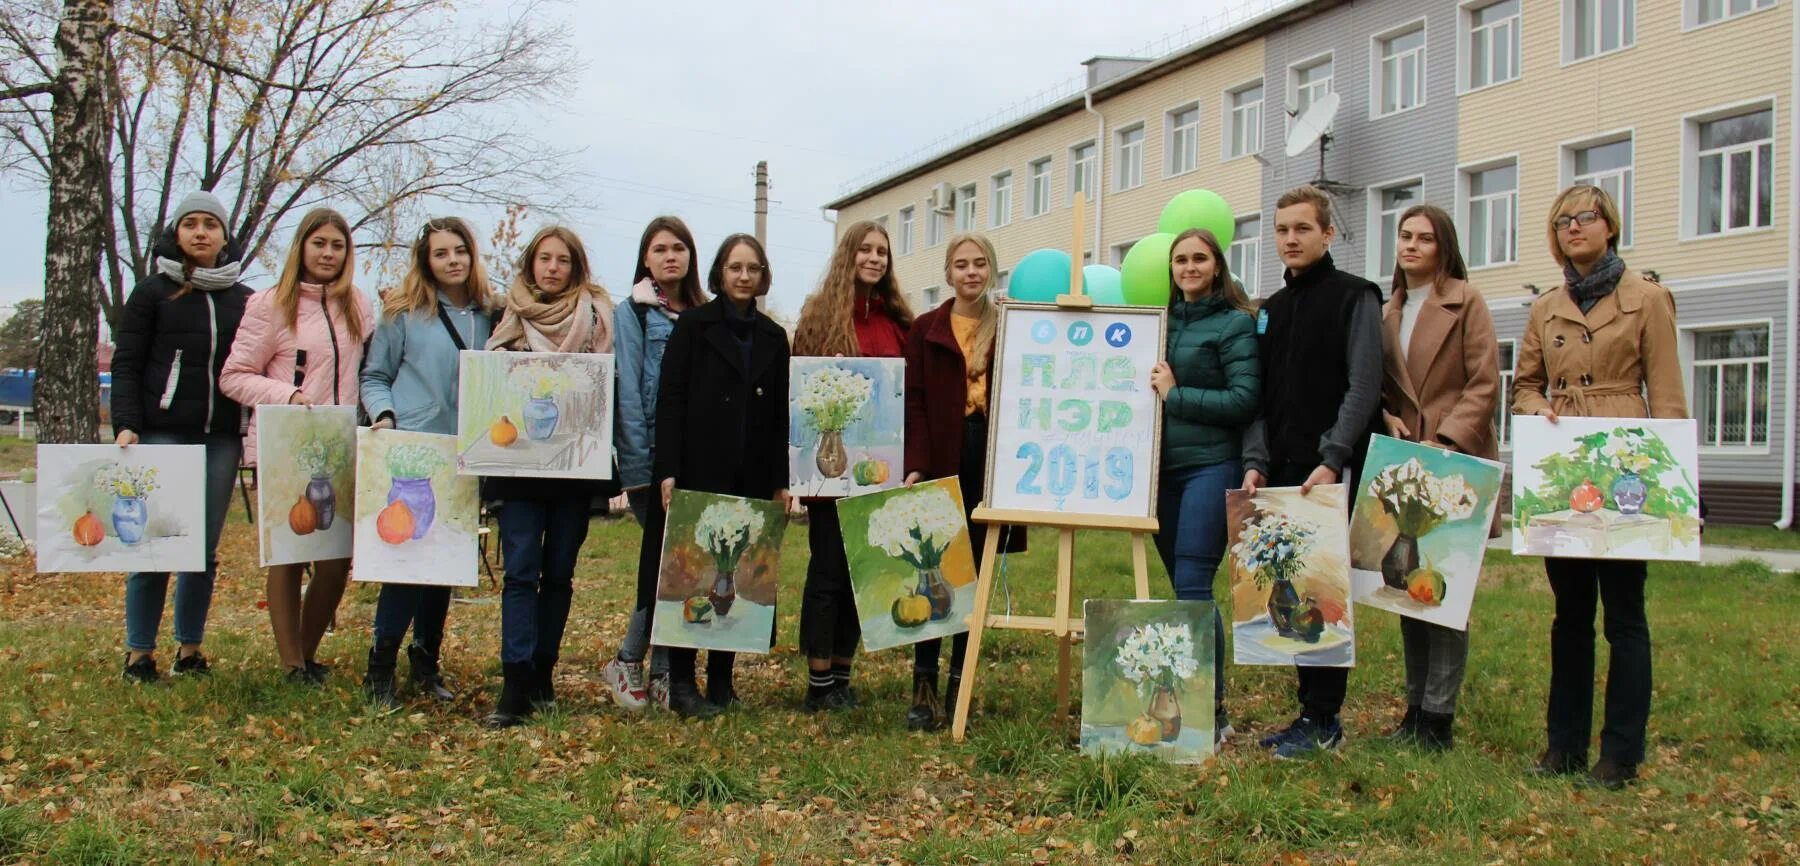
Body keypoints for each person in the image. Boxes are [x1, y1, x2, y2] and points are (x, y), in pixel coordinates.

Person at [1512, 184, 1685, 789]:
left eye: (1585, 218)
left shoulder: (1648, 298)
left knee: (1625, 613)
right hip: (1562, 464)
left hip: (1627, 463)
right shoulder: (1545, 307)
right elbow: (1525, 385)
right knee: (1570, 613)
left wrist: (1673, 483)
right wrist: (1539, 412)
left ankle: (1621, 754)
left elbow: (1666, 392)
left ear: (1609, 225)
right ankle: (1563, 747)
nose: (1573, 228)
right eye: (1562, 221)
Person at [1241, 185, 1384, 758]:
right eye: (1281, 230)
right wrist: (1256, 461)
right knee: (1291, 589)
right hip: (1280, 470)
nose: (1291, 239)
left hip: (1330, 472)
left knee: (1323, 594)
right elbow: (1259, 396)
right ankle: (1308, 713)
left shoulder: (1358, 298)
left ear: (1328, 234)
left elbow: (1364, 384)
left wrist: (1334, 458)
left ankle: (1324, 720)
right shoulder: (1269, 309)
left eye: (1302, 228)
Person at [219, 208, 371, 684]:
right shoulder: (270, 305)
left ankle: (307, 654)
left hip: (341, 447)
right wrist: (288, 394)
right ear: (302, 247)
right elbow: (234, 376)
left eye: (338, 246)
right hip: (287, 445)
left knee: (335, 561)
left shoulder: (358, 306)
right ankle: (291, 664)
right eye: (319, 243)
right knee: (288, 553)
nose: (328, 253)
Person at [110, 190, 254, 683]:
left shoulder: (244, 299)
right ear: (176, 233)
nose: (200, 232)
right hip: (161, 435)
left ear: (224, 236)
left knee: (201, 549)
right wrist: (126, 422)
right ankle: (139, 654)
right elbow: (126, 363)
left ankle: (189, 649)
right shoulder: (153, 293)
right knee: (156, 543)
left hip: (220, 437)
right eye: (190, 224)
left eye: (210, 225)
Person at [482, 226, 619, 728]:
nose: (553, 268)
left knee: (559, 570)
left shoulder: (599, 316)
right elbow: (491, 377)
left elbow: (606, 382)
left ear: (577, 266)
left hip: (576, 463)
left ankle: (544, 671)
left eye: (563, 260)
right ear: (531, 263)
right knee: (520, 568)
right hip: (519, 463)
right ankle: (514, 679)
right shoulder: (511, 315)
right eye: (544, 258)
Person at [358, 217, 497, 707]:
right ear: (426, 260)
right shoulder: (402, 314)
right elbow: (375, 376)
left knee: (445, 562)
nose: (452, 260)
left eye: (460, 250)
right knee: (406, 561)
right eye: (441, 253)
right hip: (414, 452)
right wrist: (386, 415)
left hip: (465, 453)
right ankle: (379, 667)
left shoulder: (490, 314)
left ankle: (425, 661)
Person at [651, 233, 790, 719]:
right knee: (695, 571)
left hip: (751, 471)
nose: (744, 276)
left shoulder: (774, 336)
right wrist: (667, 468)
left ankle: (723, 680)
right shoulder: (694, 325)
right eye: (735, 267)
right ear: (720, 272)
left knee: (738, 568)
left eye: (753, 268)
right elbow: (669, 399)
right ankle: (684, 683)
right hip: (699, 465)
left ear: (763, 275)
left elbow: (779, 416)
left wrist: (780, 479)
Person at [1376, 204, 1499, 752]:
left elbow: (1484, 380)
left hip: (1453, 462)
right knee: (1408, 589)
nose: (1411, 246)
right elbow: (1380, 384)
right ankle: (1414, 709)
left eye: (1424, 238)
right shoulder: (1388, 310)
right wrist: (1385, 416)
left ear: (1443, 247)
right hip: (1404, 463)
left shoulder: (1466, 301)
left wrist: (1447, 440)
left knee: (1445, 595)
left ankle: (1439, 720)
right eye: (1404, 236)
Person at [899, 233, 1026, 731]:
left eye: (979, 264)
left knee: (972, 572)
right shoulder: (926, 327)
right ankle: (923, 686)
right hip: (942, 455)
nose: (970, 272)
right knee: (934, 568)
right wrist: (917, 463)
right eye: (960, 265)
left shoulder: (1011, 323)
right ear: (947, 273)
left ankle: (960, 684)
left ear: (991, 270)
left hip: (990, 459)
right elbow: (914, 400)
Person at [791, 220, 913, 711]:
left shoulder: (898, 321)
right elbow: (799, 387)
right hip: (828, 470)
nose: (874, 257)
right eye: (865, 249)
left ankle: (843, 674)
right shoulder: (820, 316)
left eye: (882, 251)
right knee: (827, 572)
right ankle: (817, 681)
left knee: (861, 572)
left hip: (877, 473)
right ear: (849, 255)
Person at [1148, 228, 1259, 742]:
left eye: (1199, 259)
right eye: (1180, 260)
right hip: (1158, 475)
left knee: (1193, 588)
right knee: (1181, 589)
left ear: (1217, 266)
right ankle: (1191, 703)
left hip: (1211, 468)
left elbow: (1243, 401)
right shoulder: (1158, 324)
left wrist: (1176, 395)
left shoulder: (1237, 325)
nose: (1189, 267)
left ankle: (1210, 713)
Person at [604, 216, 705, 712]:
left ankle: (663, 670)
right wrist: (639, 467)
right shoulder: (635, 313)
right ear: (646, 258)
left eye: (679, 248)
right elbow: (627, 393)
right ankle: (628, 661)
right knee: (663, 565)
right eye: (660, 248)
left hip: (695, 460)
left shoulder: (705, 314)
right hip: (651, 460)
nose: (670, 256)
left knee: (680, 566)